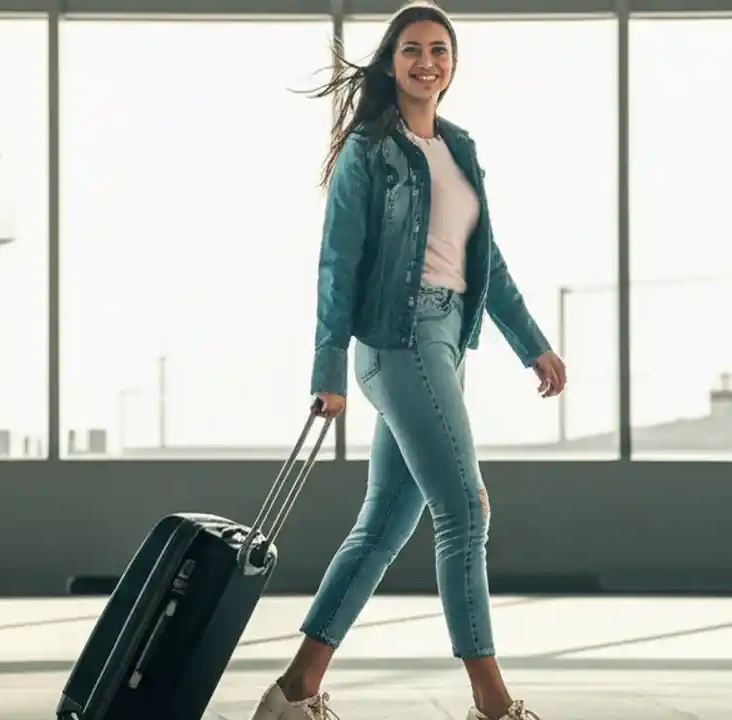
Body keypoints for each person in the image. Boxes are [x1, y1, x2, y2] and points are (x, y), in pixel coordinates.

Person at [250, 2, 567, 719]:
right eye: (413, 50)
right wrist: (327, 374)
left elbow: (488, 264)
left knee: (384, 527)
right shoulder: (369, 151)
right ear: (391, 62)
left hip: (446, 344)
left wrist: (533, 344)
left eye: (441, 51)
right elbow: (337, 264)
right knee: (466, 509)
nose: (428, 62)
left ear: (452, 65)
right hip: (399, 340)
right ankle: (492, 704)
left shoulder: (459, 149)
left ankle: (294, 691)